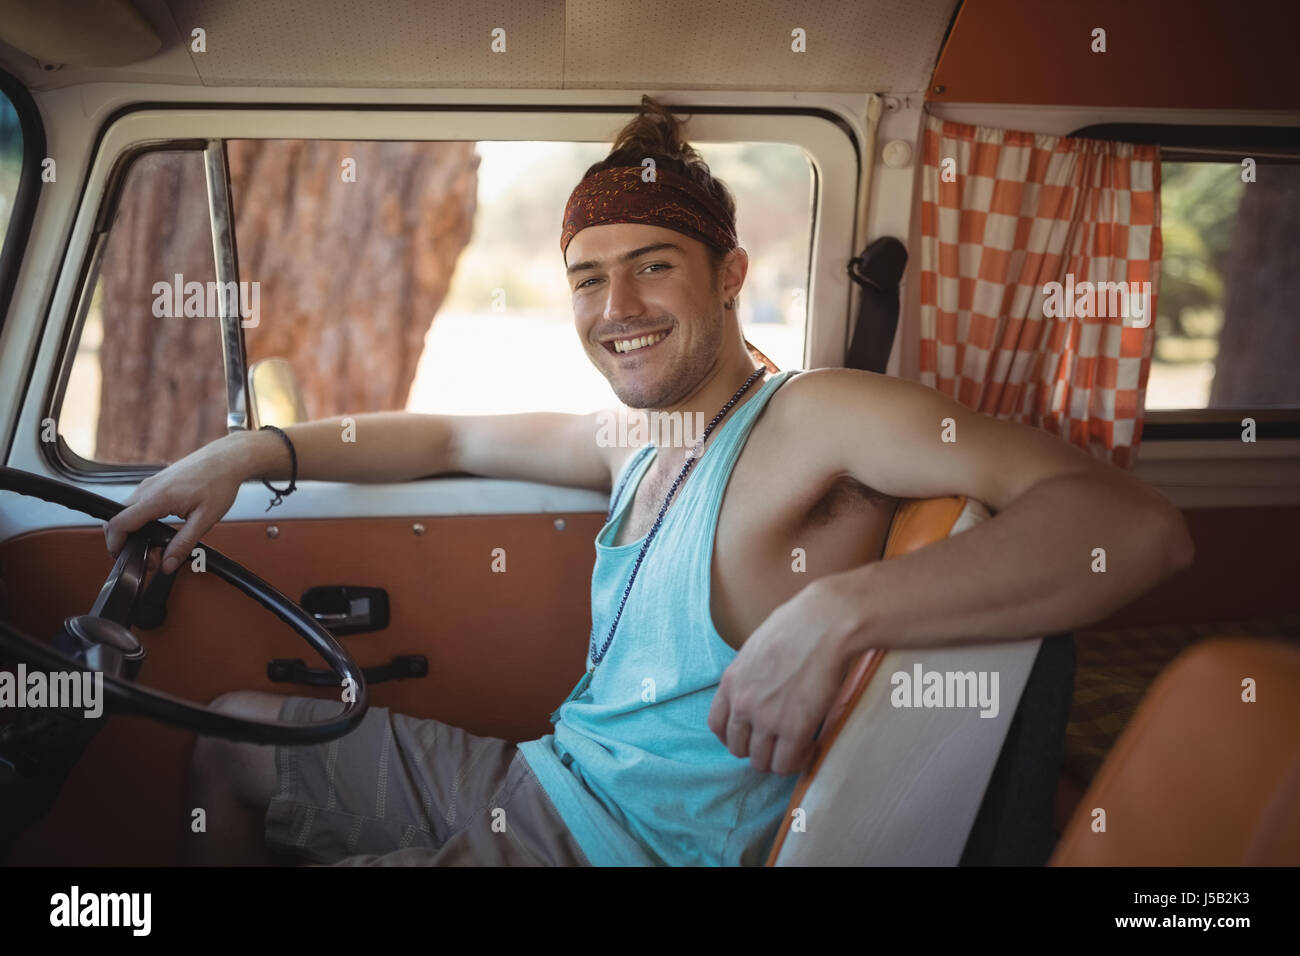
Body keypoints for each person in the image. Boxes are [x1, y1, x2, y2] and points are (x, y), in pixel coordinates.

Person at [103, 95, 1194, 866]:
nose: (615, 304)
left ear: (727, 276)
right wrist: (251, 451)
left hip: (617, 846)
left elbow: (1131, 525)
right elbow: (442, 435)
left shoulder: (815, 414)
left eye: (652, 266)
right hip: (545, 780)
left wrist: (837, 611)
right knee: (231, 734)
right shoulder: (643, 431)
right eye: (588, 277)